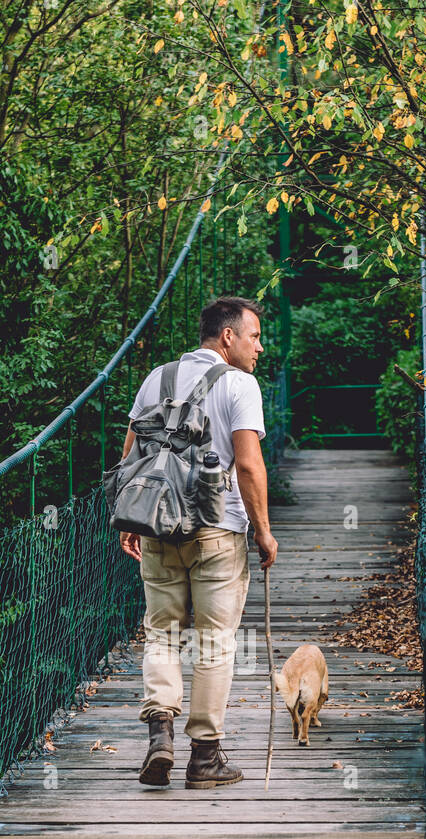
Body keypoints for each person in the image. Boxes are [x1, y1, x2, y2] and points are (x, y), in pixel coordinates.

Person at [118, 295, 278, 789]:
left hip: (159, 526)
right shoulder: (240, 384)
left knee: (161, 632)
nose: (260, 347)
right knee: (214, 641)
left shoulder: (156, 378)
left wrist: (130, 517)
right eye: (253, 336)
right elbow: (249, 464)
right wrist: (263, 530)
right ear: (227, 336)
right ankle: (205, 758)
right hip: (218, 530)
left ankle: (160, 736)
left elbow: (132, 451)